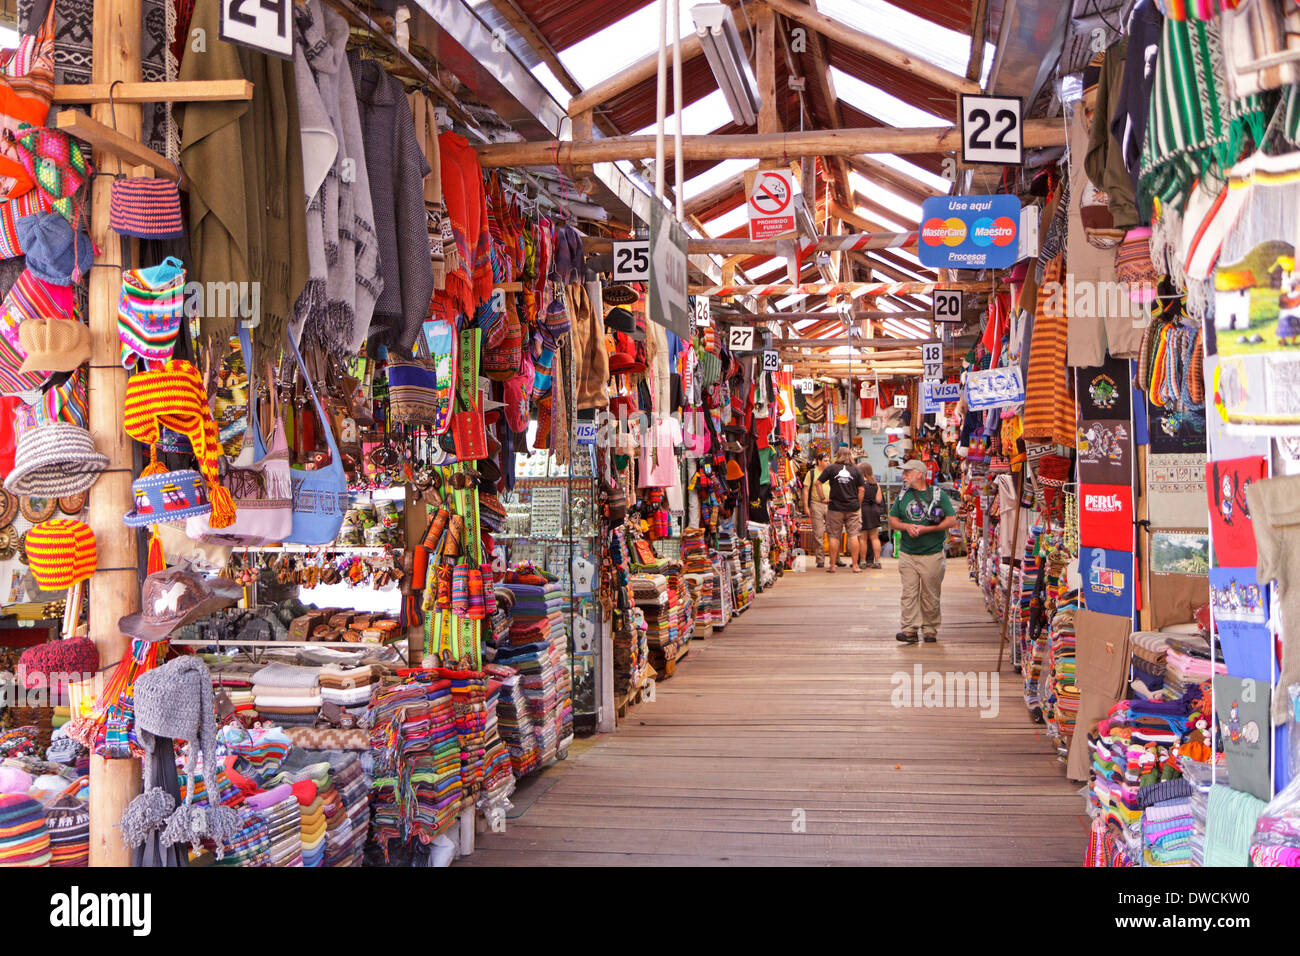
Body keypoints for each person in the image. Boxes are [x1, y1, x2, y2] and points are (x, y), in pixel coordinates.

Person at [888, 458, 957, 643]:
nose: (903, 476)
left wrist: (928, 529)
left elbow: (951, 519)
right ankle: (909, 630)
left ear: (919, 474)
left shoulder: (937, 495)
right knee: (909, 593)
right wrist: (905, 526)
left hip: (932, 553)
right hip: (907, 552)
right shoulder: (902, 496)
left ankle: (930, 629)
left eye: (907, 473)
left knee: (930, 594)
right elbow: (892, 519)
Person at [816, 446, 865, 573]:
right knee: (853, 535)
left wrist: (822, 498)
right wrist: (857, 503)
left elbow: (818, 483)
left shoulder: (831, 468)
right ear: (850, 455)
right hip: (852, 508)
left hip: (835, 508)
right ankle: (855, 565)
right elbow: (861, 489)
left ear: (838, 455)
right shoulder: (856, 470)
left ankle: (832, 565)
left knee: (834, 536)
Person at [801, 451, 830, 567]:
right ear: (819, 461)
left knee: (833, 532)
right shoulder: (811, 473)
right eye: (825, 461)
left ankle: (835, 558)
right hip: (816, 504)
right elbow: (806, 490)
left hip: (830, 505)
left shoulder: (831, 473)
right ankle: (820, 560)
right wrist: (806, 506)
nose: (828, 463)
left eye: (829, 460)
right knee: (818, 533)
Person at [857, 461, 883, 570]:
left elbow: (857, 499)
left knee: (863, 538)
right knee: (875, 538)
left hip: (863, 510)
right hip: (874, 511)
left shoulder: (859, 484)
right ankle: (877, 561)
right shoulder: (876, 484)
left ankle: (863, 561)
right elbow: (879, 499)